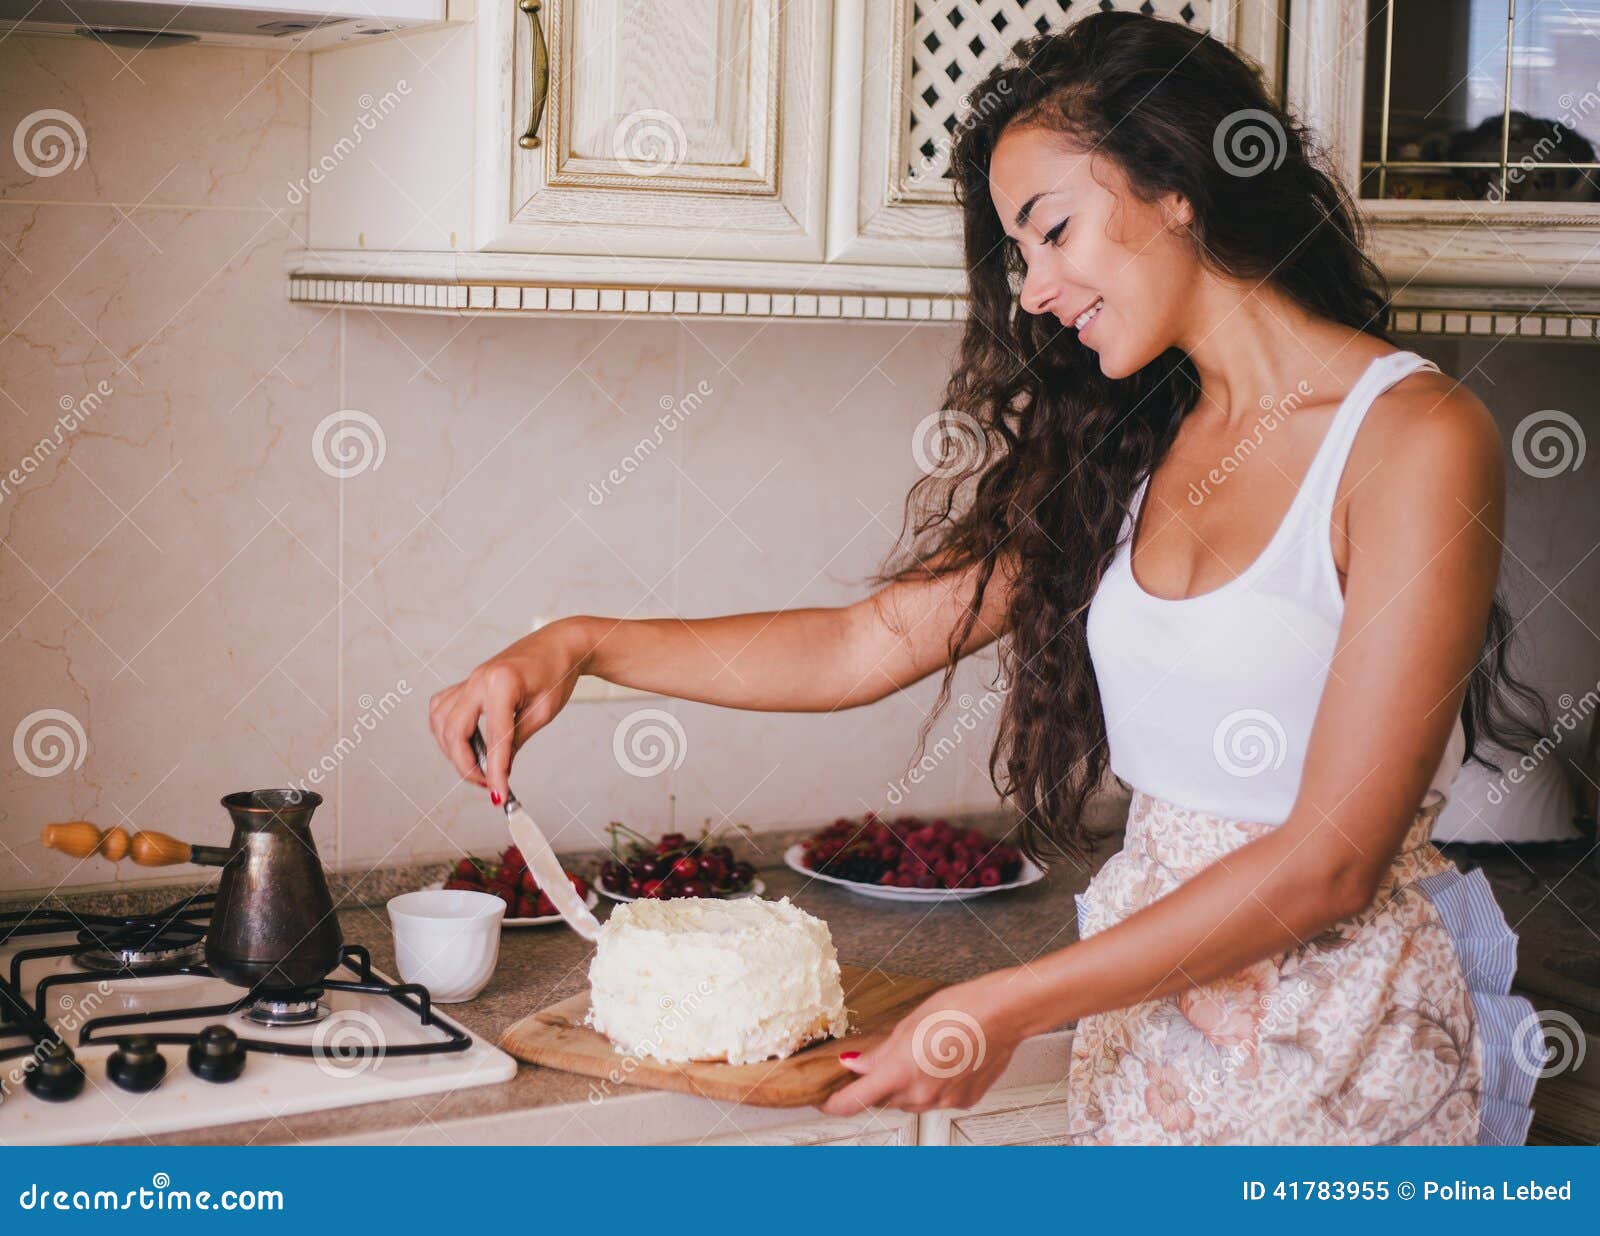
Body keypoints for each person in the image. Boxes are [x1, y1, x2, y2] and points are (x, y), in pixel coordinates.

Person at [428, 13, 1550, 1144]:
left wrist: (1001, 1002)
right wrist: (578, 641)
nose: (1033, 288)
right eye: (1021, 253)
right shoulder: (1138, 438)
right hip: (1151, 1043)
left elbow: (1330, 861)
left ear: (1176, 183)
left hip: (1343, 1057)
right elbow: (864, 641)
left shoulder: (1412, 437)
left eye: (1052, 231)